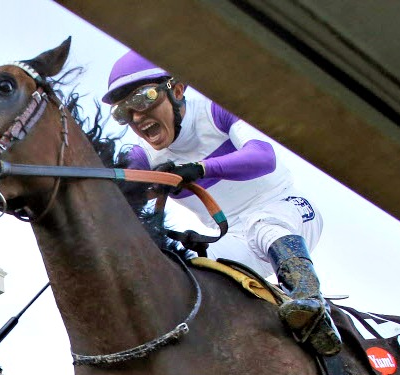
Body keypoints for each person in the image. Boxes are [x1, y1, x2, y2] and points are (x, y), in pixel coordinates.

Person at [103, 50, 341, 356]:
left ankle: (311, 302)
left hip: (287, 209)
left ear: (176, 90)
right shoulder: (144, 157)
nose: (137, 117)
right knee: (184, 269)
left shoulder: (216, 110)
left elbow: (263, 157)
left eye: (143, 99)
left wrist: (201, 169)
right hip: (233, 237)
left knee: (265, 224)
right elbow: (111, 185)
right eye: (123, 112)